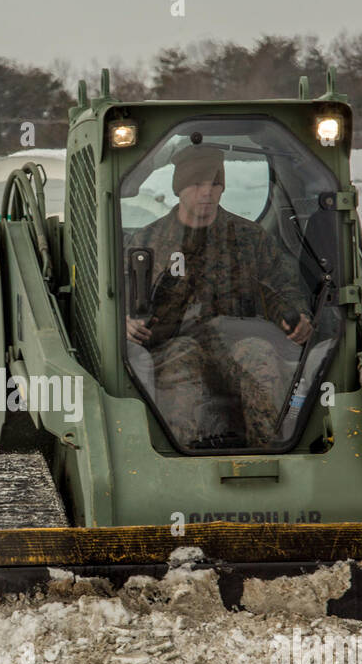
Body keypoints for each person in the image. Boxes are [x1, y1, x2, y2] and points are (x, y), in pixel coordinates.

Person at [124, 142, 313, 447]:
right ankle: (178, 466)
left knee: (259, 356)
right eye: (197, 184)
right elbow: (121, 298)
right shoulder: (146, 242)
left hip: (235, 340)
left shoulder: (249, 238)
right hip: (174, 344)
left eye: (215, 184)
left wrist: (297, 316)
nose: (207, 193)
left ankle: (270, 462)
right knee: (181, 369)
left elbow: (281, 288)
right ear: (179, 188)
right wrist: (127, 321)